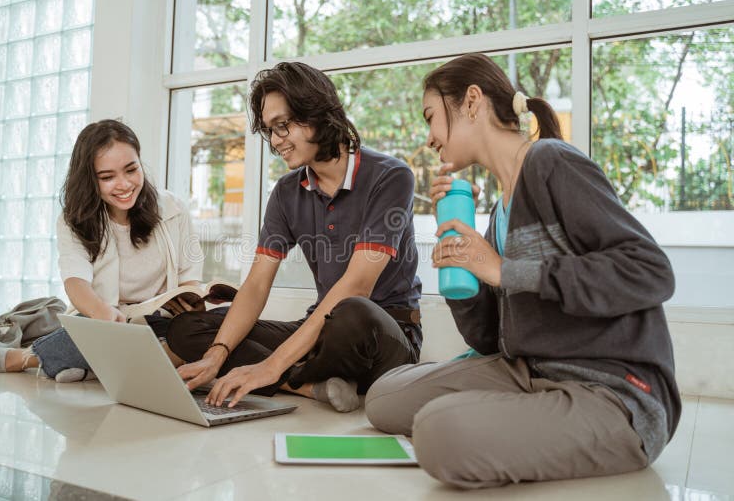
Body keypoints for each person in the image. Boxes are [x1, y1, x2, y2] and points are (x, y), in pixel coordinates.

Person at [364, 53, 680, 488]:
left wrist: (505, 270)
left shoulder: (552, 162)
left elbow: (651, 272)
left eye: (431, 117)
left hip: (611, 391)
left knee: (439, 431)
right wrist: (466, 269)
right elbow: (489, 339)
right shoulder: (497, 213)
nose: (431, 138)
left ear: (472, 101)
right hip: (528, 371)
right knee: (384, 399)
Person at [168, 62, 423, 412]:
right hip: (319, 327)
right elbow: (256, 284)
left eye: (282, 126)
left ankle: (283, 375)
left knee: (352, 312)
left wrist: (269, 365)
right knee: (189, 328)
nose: (275, 141)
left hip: (381, 331)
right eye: (270, 131)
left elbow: (357, 285)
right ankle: (309, 385)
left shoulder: (390, 176)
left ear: (317, 112)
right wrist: (216, 355)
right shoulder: (288, 192)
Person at [0, 119, 202, 381]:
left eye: (131, 170)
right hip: (104, 317)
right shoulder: (75, 219)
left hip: (160, 321)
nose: (124, 184)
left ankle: (78, 364)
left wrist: (194, 302)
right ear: (90, 179)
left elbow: (189, 277)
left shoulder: (173, 209)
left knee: (211, 328)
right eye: (107, 177)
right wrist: (101, 313)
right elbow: (76, 282)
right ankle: (18, 359)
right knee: (95, 331)